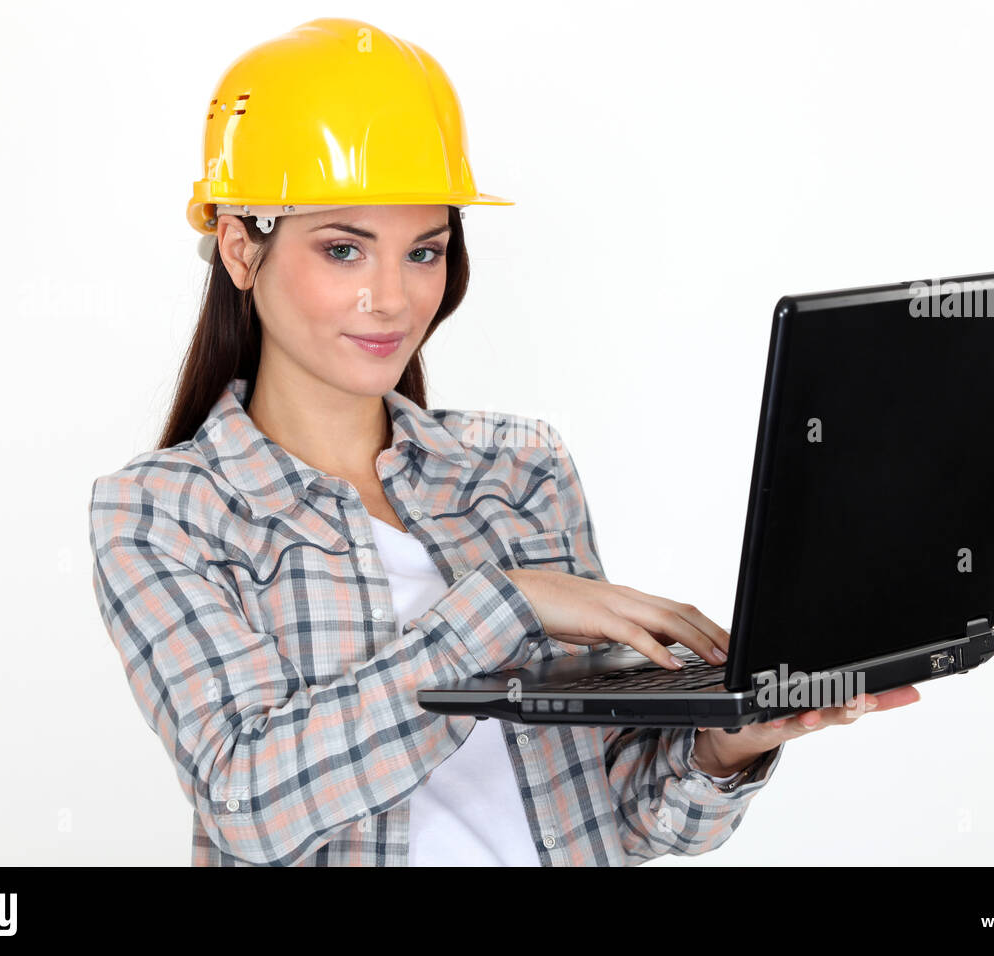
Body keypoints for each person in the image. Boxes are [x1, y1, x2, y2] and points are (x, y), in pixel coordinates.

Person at [87, 17, 919, 867]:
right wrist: (505, 605)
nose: (392, 297)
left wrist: (728, 741)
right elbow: (249, 802)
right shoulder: (163, 513)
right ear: (239, 247)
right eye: (344, 249)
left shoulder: (520, 468)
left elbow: (620, 814)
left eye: (424, 251)